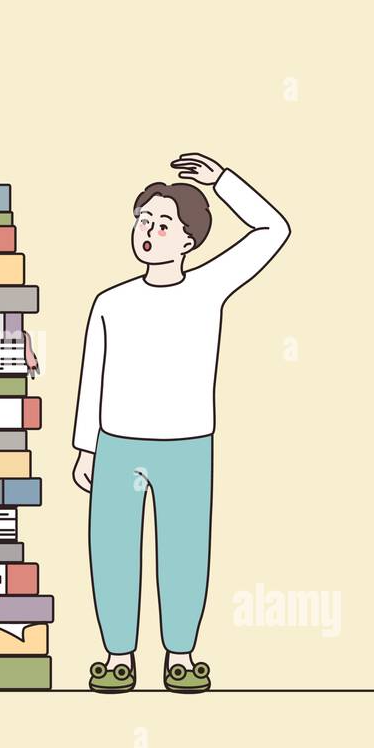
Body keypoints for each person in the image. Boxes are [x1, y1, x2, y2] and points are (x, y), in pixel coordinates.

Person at [72, 152, 290, 693]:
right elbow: (91, 374)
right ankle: (117, 654)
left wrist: (223, 183)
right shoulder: (111, 302)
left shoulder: (208, 287)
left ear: (189, 240)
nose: (149, 231)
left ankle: (181, 655)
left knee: (186, 550)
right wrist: (84, 447)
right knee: (112, 549)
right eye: (143, 220)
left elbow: (274, 228)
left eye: (163, 223)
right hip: (117, 443)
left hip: (188, 443)